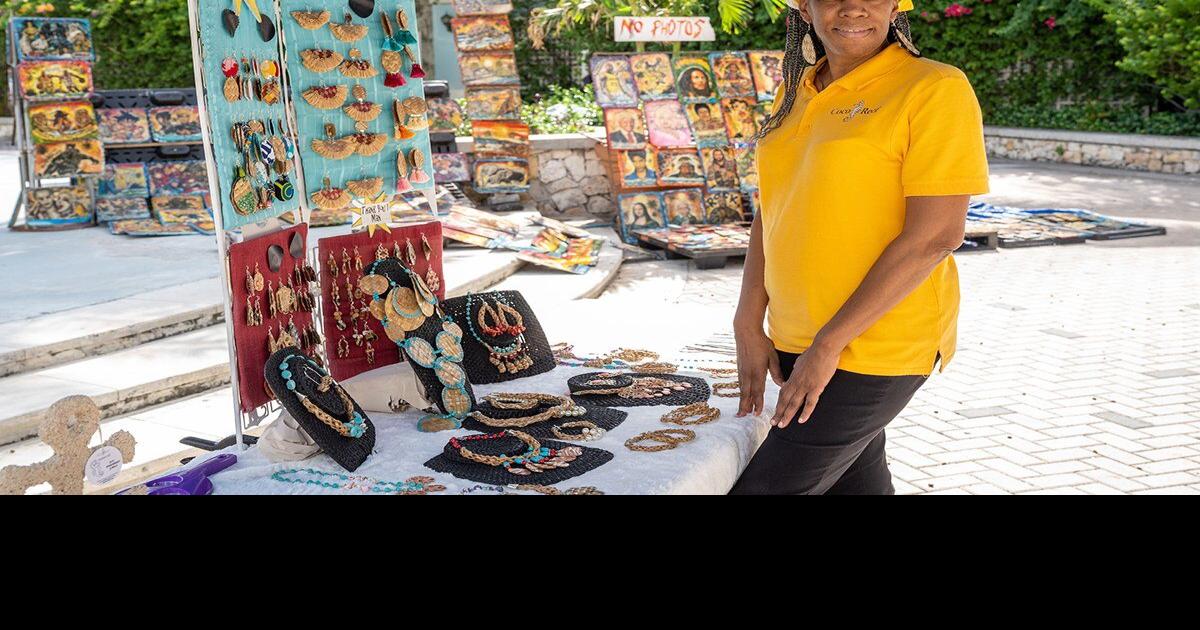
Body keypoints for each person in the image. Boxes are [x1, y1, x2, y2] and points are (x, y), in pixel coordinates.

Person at [730, 0, 989, 495]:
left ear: (895, 7)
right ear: (804, 8)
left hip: (876, 345)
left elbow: (936, 236)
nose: (853, 7)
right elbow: (776, 206)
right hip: (794, 335)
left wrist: (829, 344)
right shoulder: (795, 89)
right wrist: (748, 317)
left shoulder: (934, 88)